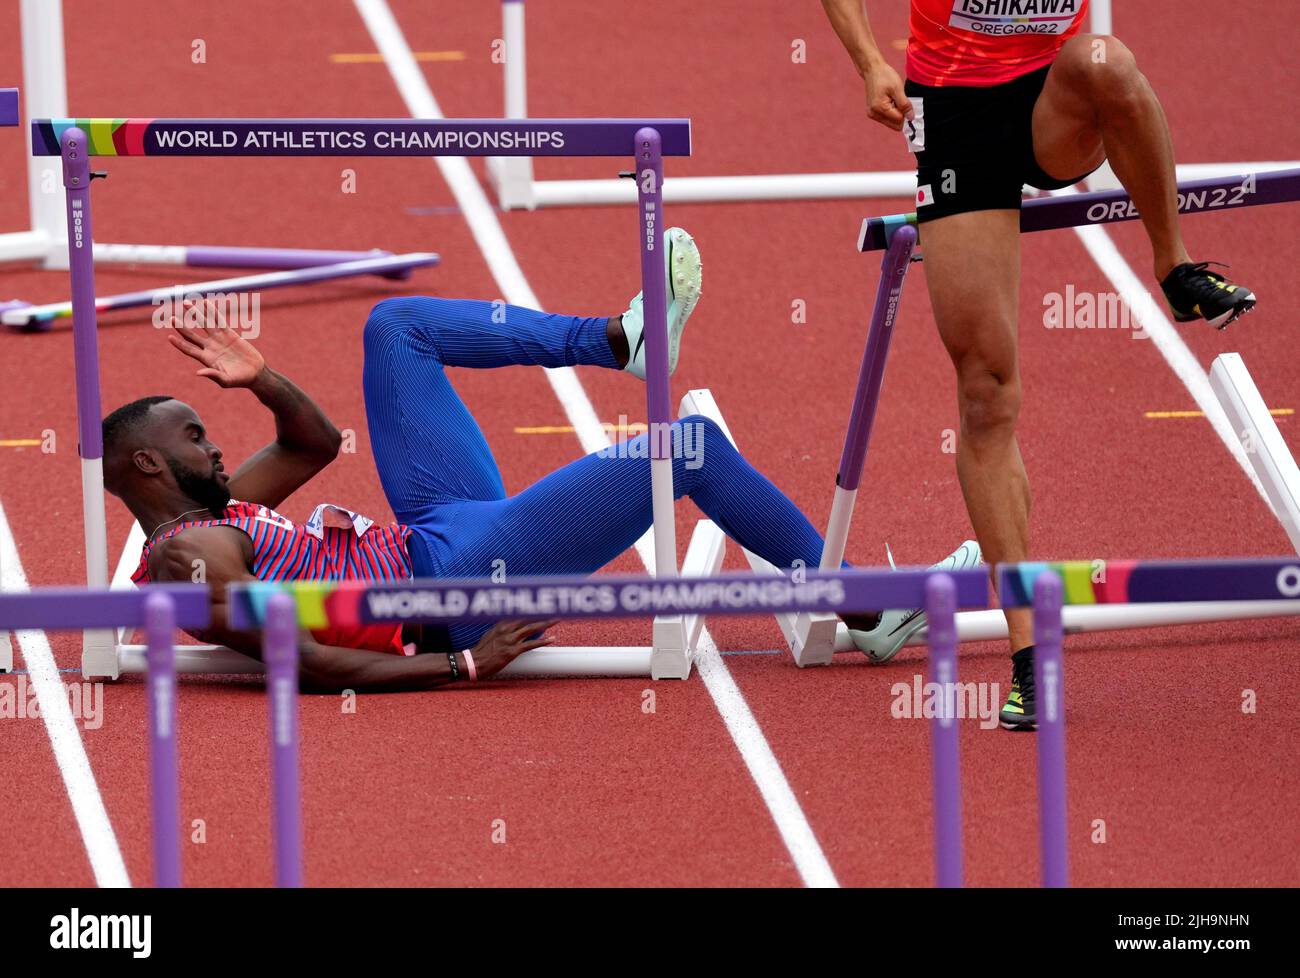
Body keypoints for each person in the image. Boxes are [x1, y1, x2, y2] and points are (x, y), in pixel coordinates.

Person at [104, 228, 976, 691]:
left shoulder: (213, 516)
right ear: (146, 467)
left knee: (394, 328)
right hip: (453, 591)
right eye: (191, 437)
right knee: (692, 450)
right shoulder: (192, 558)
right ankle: (869, 612)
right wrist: (459, 665)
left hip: (433, 535)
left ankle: (617, 340)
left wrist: (264, 380)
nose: (212, 444)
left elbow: (315, 446)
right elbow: (302, 661)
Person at [820, 0, 1256, 729]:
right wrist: (869, 63)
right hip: (955, 117)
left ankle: (1175, 268)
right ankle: (1029, 655)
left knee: (1106, 62)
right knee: (986, 393)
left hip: (1054, 100)